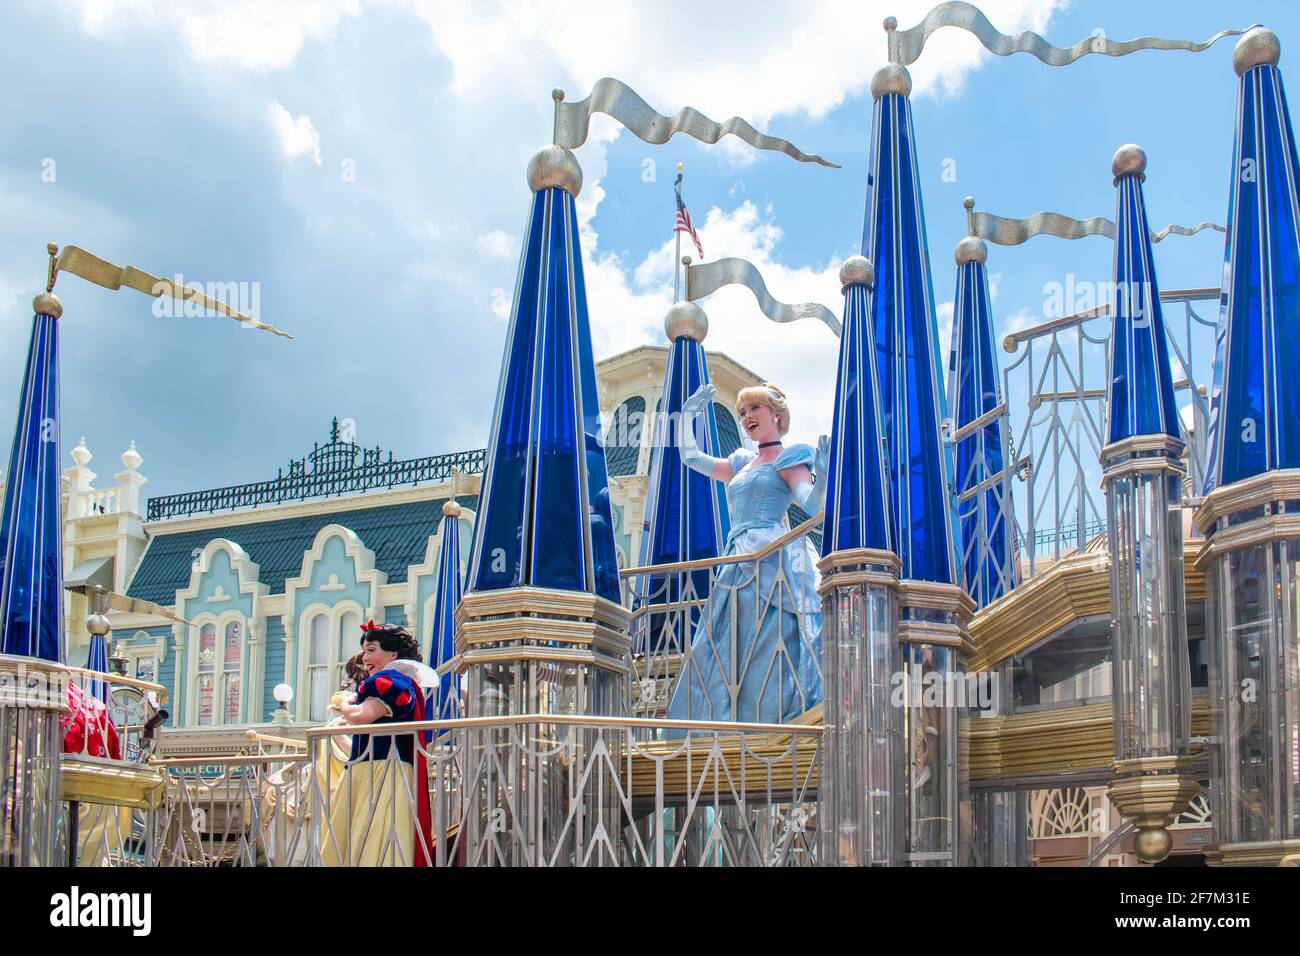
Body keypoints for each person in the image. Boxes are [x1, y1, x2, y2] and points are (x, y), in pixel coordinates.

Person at [665, 382, 828, 724]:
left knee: (769, 635)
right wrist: (687, 418)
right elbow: (690, 457)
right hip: (737, 557)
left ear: (776, 413)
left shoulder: (790, 458)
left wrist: (824, 476)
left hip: (771, 555)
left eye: (754, 409)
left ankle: (771, 720)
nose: (746, 417)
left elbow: (814, 507)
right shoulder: (742, 461)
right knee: (725, 640)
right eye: (742, 412)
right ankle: (723, 724)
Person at [321, 622, 437, 866]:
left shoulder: (391, 682)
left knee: (375, 841)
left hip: (383, 775)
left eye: (371, 650)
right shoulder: (401, 684)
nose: (364, 658)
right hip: (372, 771)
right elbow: (362, 742)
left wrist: (345, 705)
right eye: (364, 651)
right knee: (365, 842)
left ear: (393, 654)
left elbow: (361, 715)